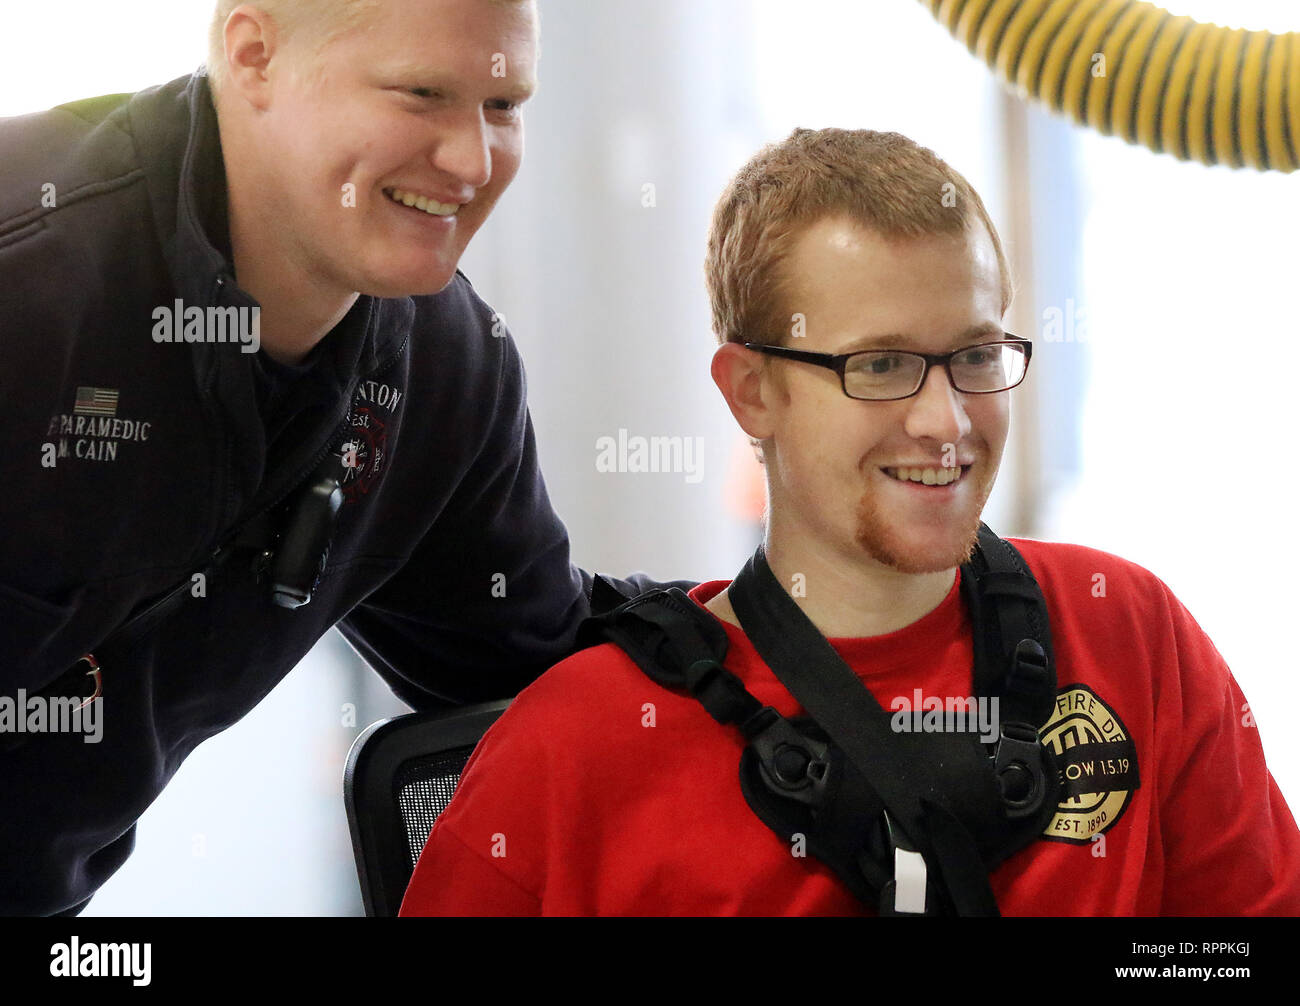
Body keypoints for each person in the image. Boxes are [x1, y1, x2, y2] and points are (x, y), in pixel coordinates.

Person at [400, 127, 1300, 916]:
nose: (946, 422)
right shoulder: (572, 748)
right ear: (752, 392)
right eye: (881, 364)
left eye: (976, 355)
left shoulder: (1131, 635)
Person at [0, 0, 677, 916]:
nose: (472, 162)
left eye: (504, 105)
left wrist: (813, 615)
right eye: (422, 95)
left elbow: (541, 670)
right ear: (254, 56)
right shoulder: (30, 276)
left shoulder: (446, 375)